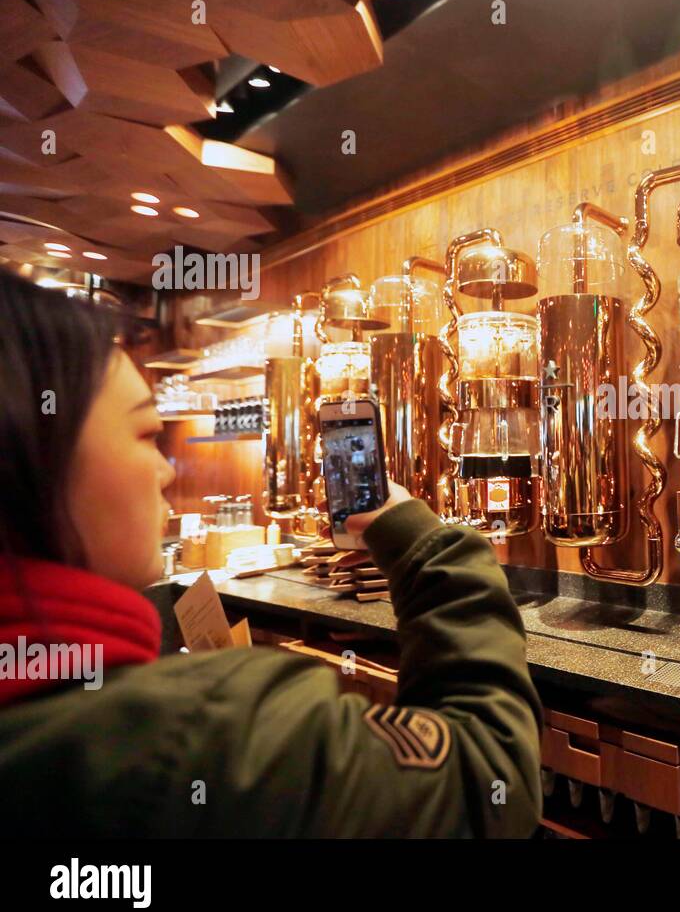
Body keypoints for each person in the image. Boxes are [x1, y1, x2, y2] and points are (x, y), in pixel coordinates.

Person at [0, 278, 542, 837]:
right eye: (144, 434)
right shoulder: (216, 734)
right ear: (32, 464)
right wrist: (427, 544)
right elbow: (487, 781)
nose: (165, 470)